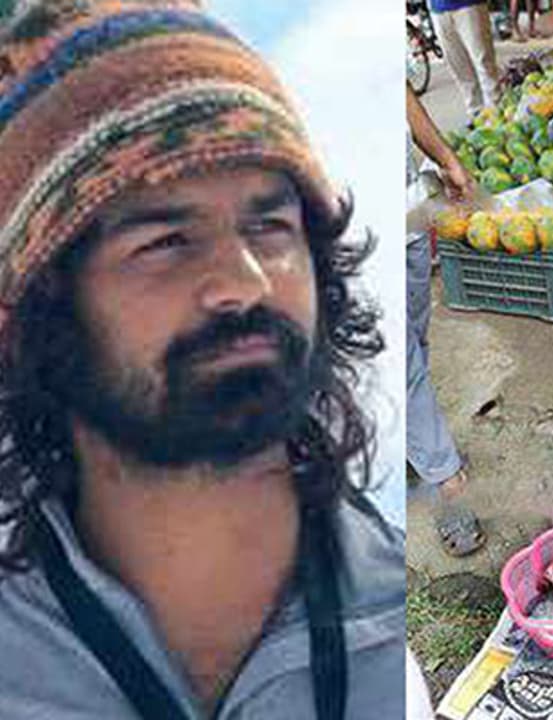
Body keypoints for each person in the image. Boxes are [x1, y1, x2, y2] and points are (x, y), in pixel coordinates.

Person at [0, 1, 404, 716]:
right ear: (37, 310)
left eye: (270, 226)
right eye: (163, 240)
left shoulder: (393, 630)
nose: (245, 280)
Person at [406, 85, 486, 556]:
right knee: (394, 360)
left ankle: (412, 442)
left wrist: (443, 155)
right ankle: (446, 478)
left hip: (403, 216)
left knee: (413, 343)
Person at [429, 0, 502, 119]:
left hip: (469, 5)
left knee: (483, 62)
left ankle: (495, 111)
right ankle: (475, 112)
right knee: (458, 66)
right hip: (438, 9)